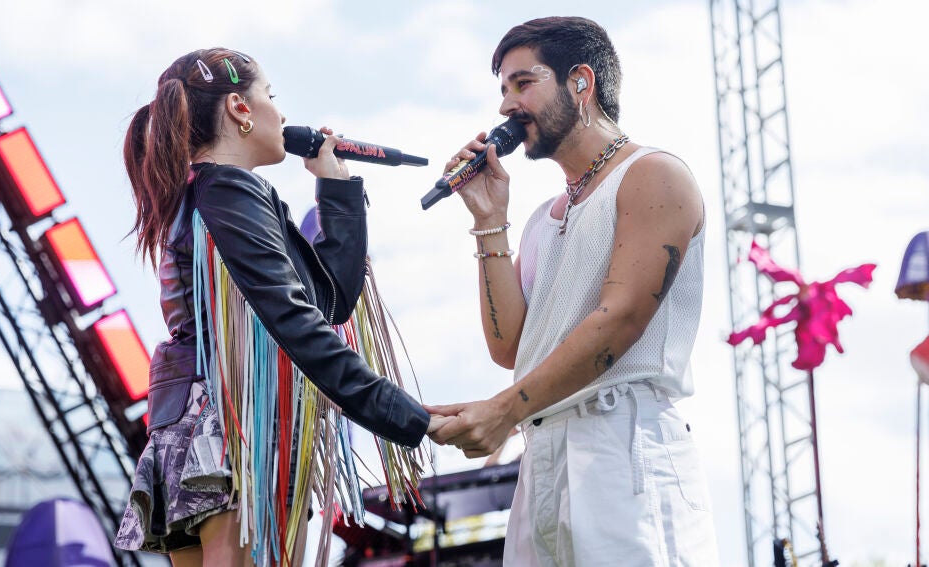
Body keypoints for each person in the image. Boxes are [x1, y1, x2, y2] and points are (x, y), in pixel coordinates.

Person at [112, 48, 443, 567]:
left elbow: (328, 299)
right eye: (271, 97)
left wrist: (336, 189)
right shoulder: (228, 189)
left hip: (191, 418)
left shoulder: (206, 192)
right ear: (241, 109)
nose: (282, 115)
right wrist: (404, 415)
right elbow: (297, 321)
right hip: (230, 419)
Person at [426, 17, 720, 566]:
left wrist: (503, 411)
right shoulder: (543, 219)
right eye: (503, 89)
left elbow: (621, 318)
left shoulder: (653, 175)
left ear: (580, 82)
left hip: (623, 446)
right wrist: (490, 219)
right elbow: (511, 348)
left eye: (523, 83)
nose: (506, 106)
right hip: (542, 454)